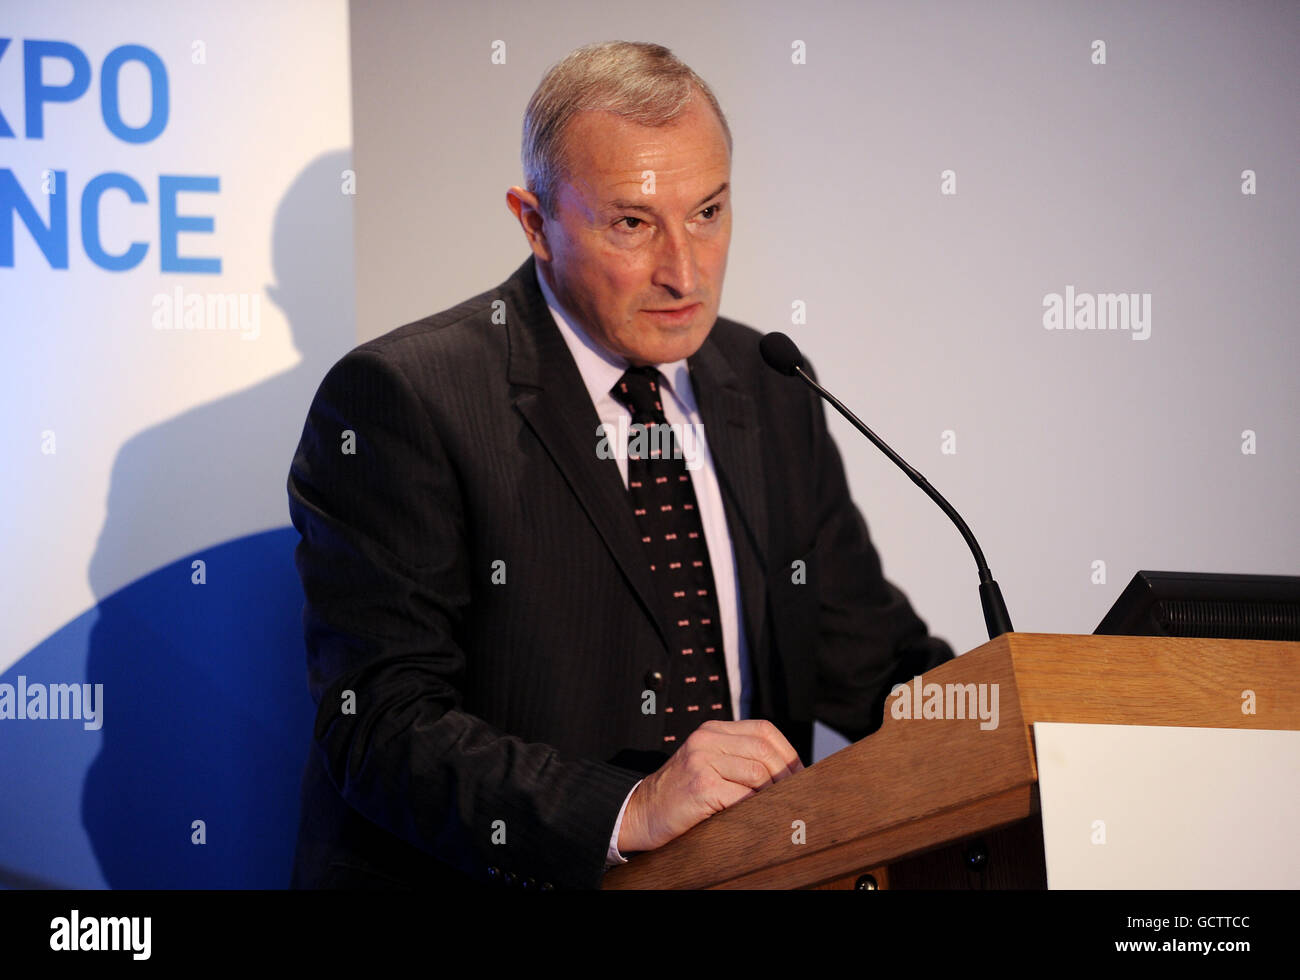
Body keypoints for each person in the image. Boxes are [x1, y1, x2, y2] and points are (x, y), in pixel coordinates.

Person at [286, 40, 953, 890]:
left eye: (708, 212)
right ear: (534, 223)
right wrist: (626, 808)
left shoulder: (768, 386)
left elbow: (871, 664)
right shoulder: (406, 400)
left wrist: (1047, 711)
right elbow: (379, 726)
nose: (684, 270)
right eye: (632, 224)